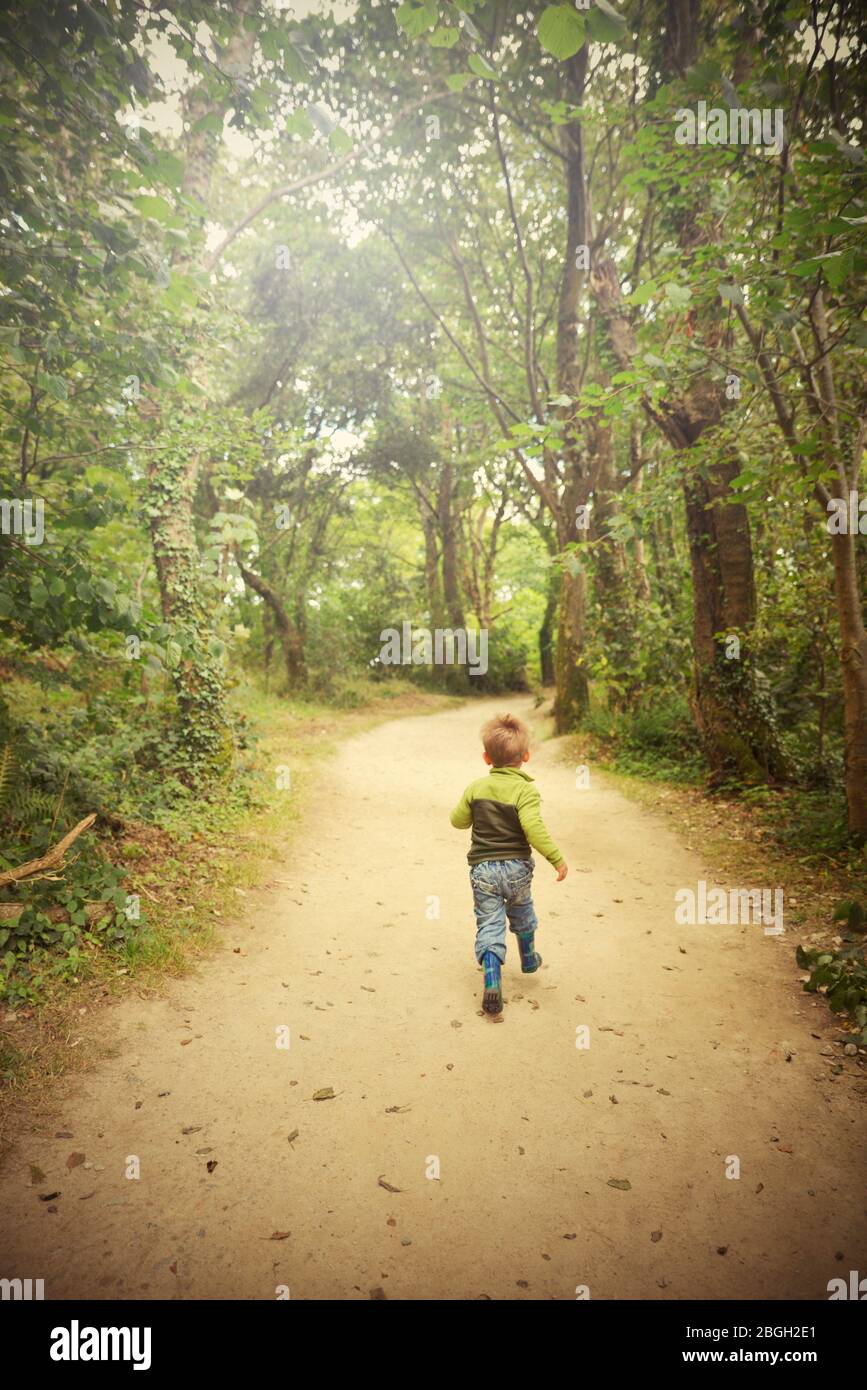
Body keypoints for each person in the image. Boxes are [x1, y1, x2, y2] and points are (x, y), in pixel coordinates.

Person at [450, 712, 567, 1015]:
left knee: (489, 923)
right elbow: (533, 828)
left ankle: (492, 979)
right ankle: (528, 959)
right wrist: (556, 858)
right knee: (522, 909)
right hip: (516, 870)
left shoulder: (476, 788)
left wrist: (476, 812)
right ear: (526, 756)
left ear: (487, 758)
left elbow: (457, 820)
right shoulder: (525, 790)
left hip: (484, 871)